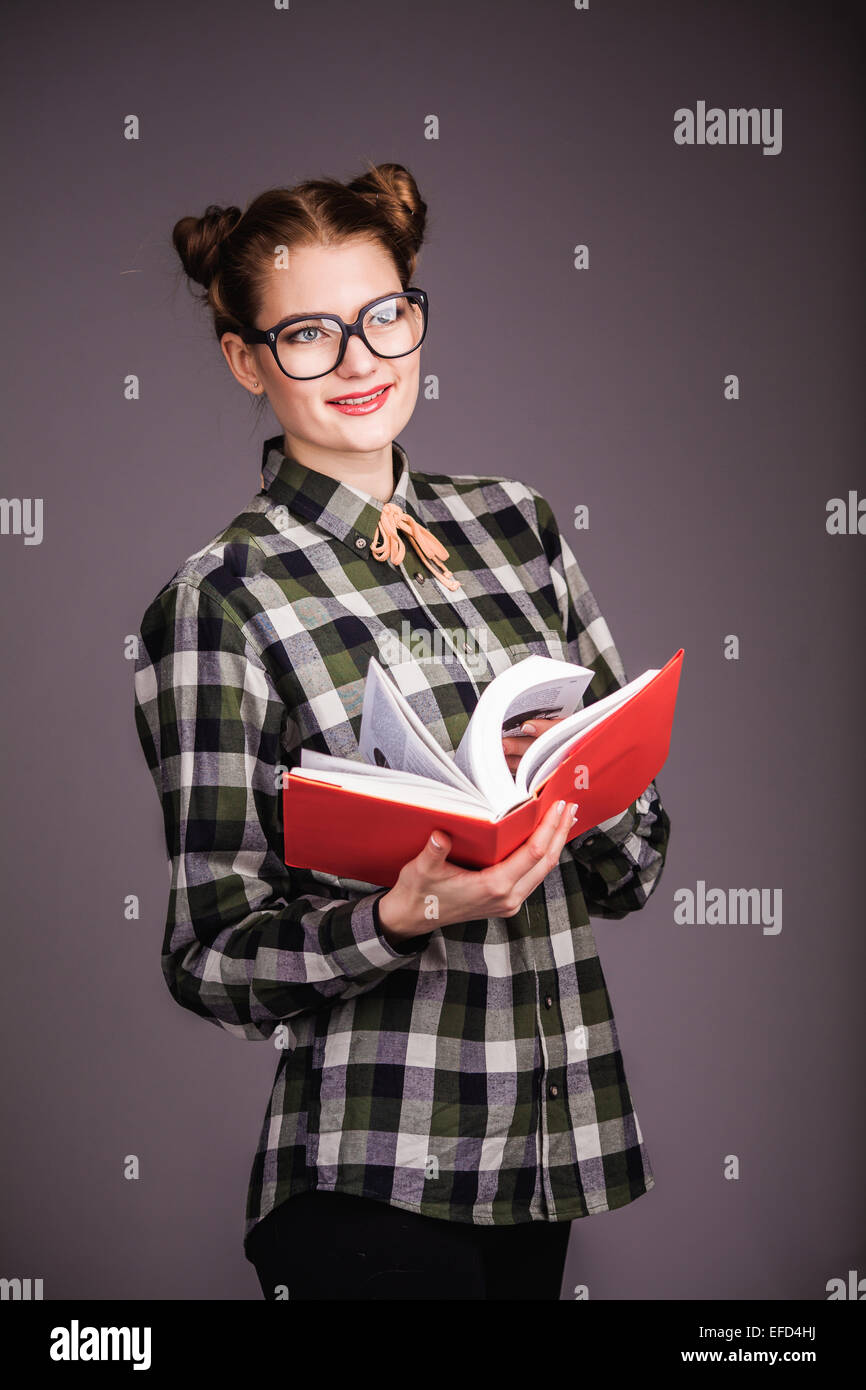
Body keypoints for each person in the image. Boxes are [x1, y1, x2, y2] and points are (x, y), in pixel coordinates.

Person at [132, 160, 672, 1301]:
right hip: (371, 1174)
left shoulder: (515, 526)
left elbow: (632, 868)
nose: (360, 360)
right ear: (246, 359)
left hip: (549, 1149)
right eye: (309, 335)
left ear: (414, 310)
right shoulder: (219, 599)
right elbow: (207, 956)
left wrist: (580, 794)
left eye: (383, 316)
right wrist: (392, 916)